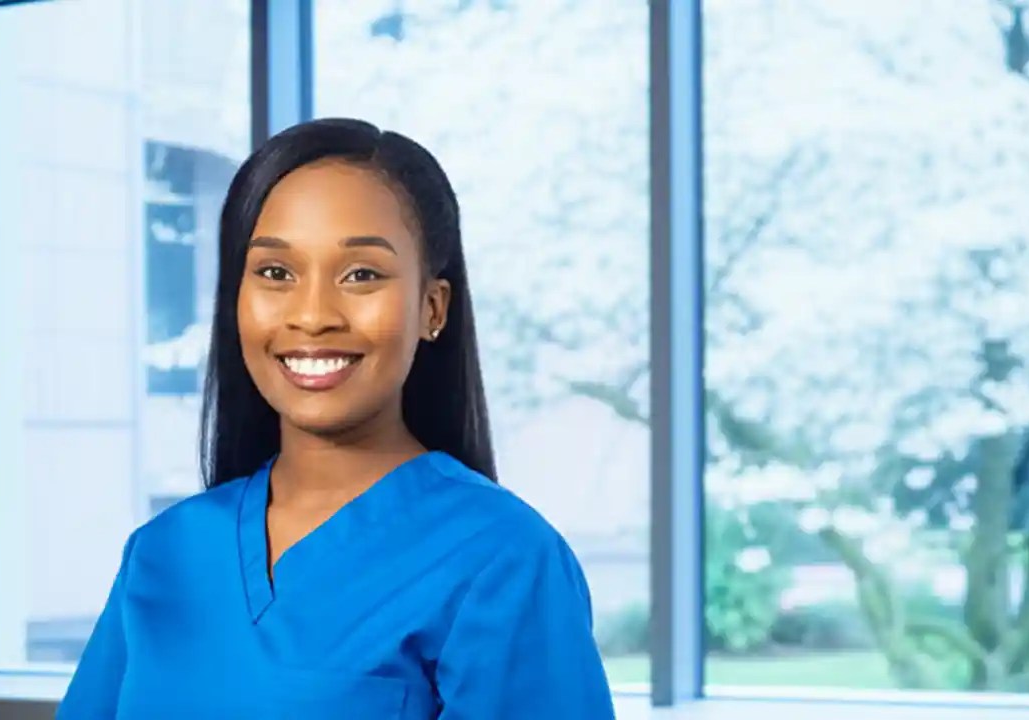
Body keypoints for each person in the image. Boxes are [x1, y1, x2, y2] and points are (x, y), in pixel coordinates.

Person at [57, 118, 616, 719]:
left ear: (433, 307)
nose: (313, 314)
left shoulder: (504, 559)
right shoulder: (165, 551)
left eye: (361, 275)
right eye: (275, 273)